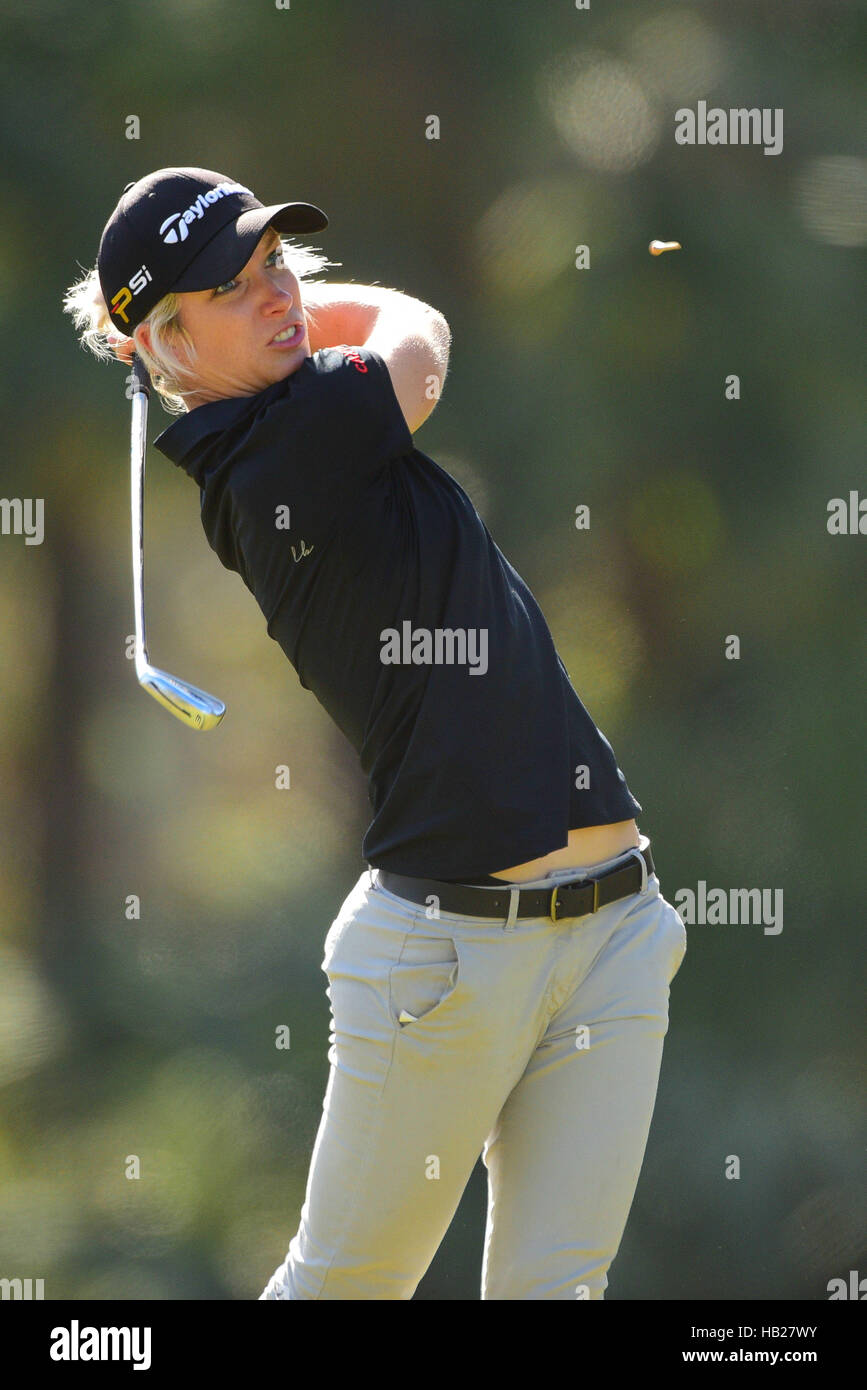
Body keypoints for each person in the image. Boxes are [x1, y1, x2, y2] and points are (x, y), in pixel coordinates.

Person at [63, 166, 688, 1300]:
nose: (279, 293)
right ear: (164, 343)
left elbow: (379, 345)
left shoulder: (299, 409)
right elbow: (424, 340)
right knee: (346, 1288)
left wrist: (286, 310)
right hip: (448, 955)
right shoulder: (268, 462)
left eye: (275, 265)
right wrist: (324, 314)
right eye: (232, 287)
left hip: (613, 928)